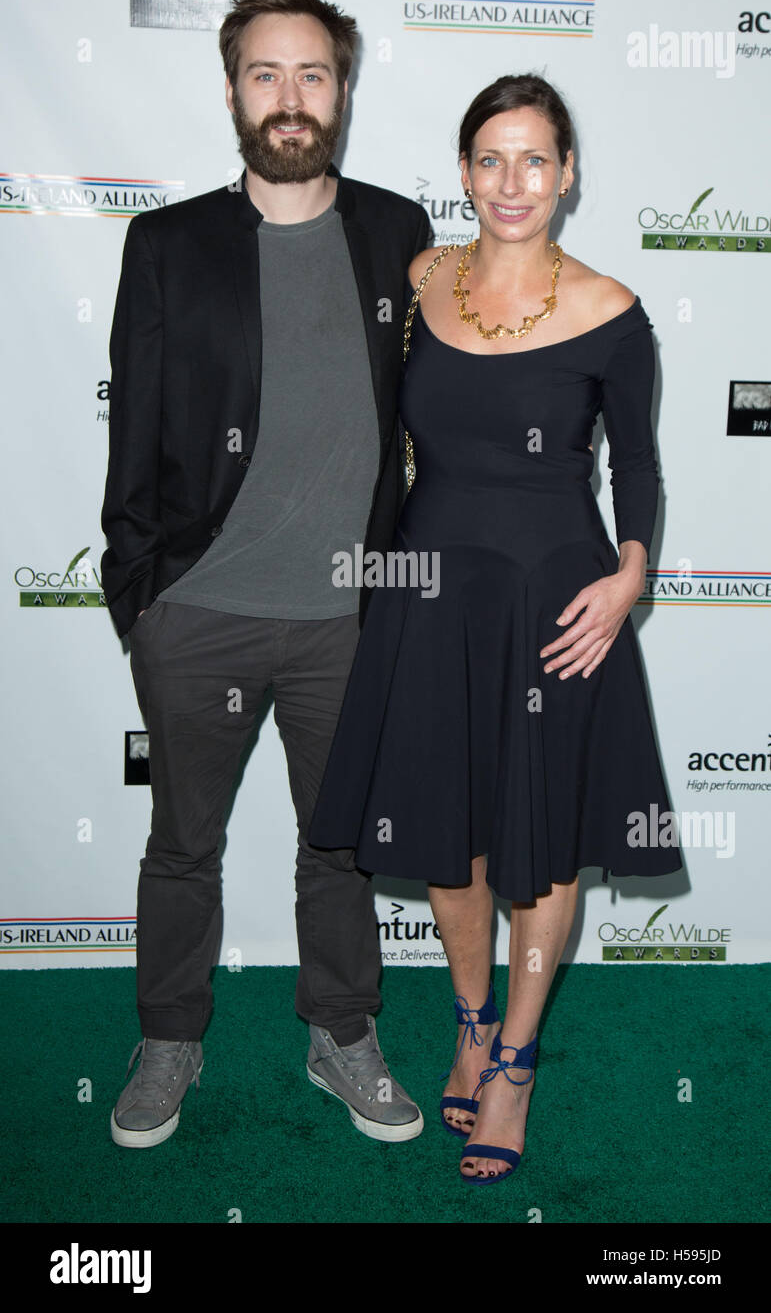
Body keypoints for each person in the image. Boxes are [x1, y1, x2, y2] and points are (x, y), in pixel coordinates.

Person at [308, 74, 683, 1184]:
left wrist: (631, 576)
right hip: (432, 595)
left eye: (535, 160)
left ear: (567, 174)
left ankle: (516, 1059)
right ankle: (471, 1023)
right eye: (490, 159)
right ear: (464, 171)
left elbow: (641, 465)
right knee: (449, 832)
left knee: (540, 841)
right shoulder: (426, 276)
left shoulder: (612, 309)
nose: (511, 182)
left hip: (556, 603)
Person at [101, 0, 431, 1149]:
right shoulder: (168, 243)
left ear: (342, 90)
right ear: (233, 88)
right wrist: (142, 600)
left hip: (348, 621)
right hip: (199, 616)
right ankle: (168, 1036)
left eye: (313, 75)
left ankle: (340, 1031)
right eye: (265, 74)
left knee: (338, 847)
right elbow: (132, 428)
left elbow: (432, 423)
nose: (290, 100)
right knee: (182, 847)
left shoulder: (400, 235)